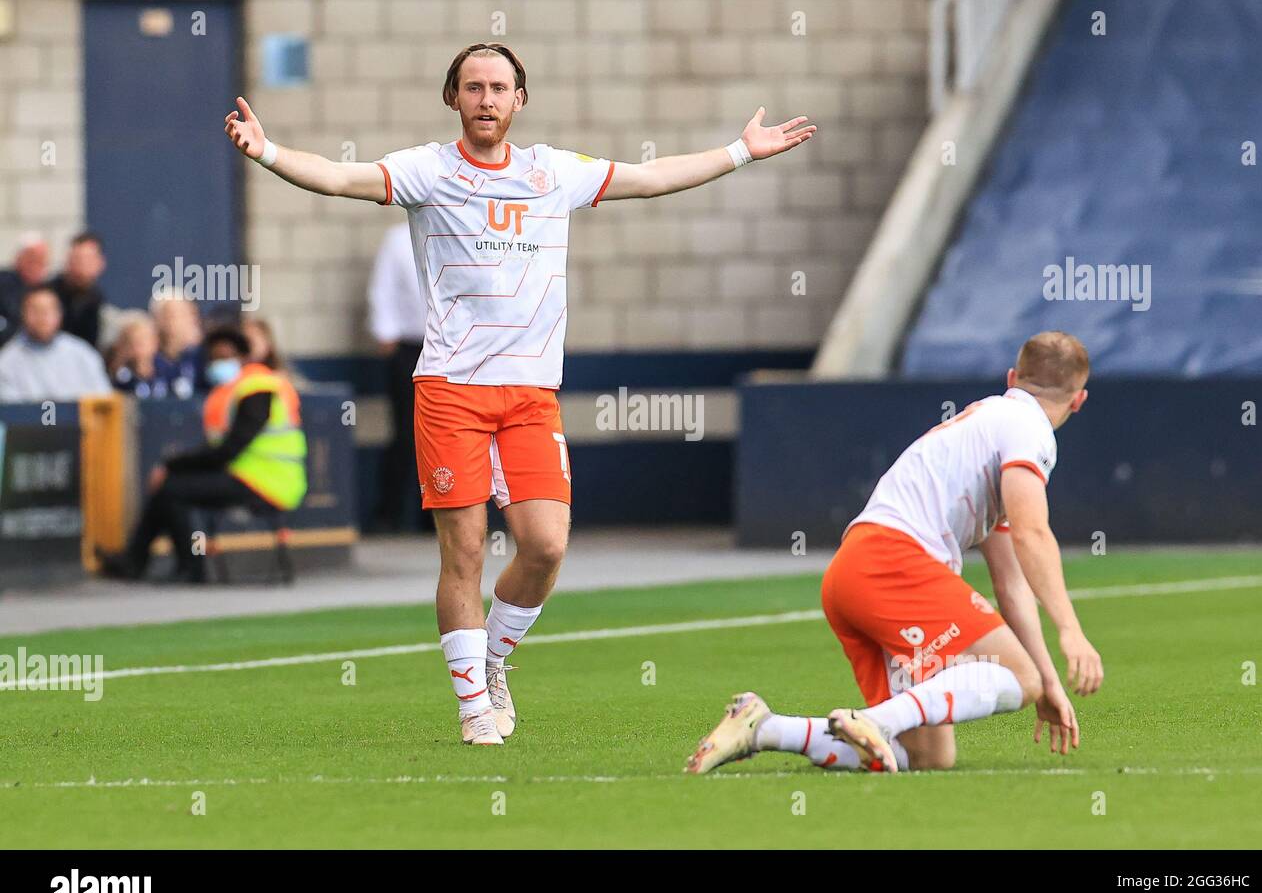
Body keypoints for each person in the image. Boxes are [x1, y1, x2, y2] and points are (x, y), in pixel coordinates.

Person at [224, 41, 816, 745]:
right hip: (450, 390)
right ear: (453, 98)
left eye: (498, 87)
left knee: (544, 545)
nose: (485, 99)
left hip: (532, 394)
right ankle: (475, 709)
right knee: (465, 553)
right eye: (472, 87)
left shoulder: (552, 173)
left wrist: (740, 152)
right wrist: (268, 152)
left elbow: (652, 178)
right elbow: (338, 178)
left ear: (519, 100)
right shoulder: (427, 171)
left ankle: (494, 663)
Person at [686, 332, 1105, 774]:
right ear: (1078, 401)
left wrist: (1049, 682)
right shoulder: (1030, 430)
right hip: (894, 565)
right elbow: (1032, 532)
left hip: (853, 574)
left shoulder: (985, 424)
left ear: (1011, 378)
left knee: (927, 756)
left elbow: (1012, 582)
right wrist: (1069, 632)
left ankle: (763, 728)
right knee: (1018, 679)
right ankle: (873, 720)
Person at [99, 325, 307, 583]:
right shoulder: (227, 391)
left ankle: (190, 567)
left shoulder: (258, 387)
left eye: (226, 356)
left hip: (268, 482)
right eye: (214, 357)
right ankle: (135, 562)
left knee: (172, 490)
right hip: (245, 476)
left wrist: (172, 465)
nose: (219, 362)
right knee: (168, 487)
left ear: (242, 356)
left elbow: (229, 449)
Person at [367, 223, 425, 533]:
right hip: (409, 346)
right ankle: (389, 514)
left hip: (455, 347)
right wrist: (385, 333)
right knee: (406, 430)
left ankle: (434, 518)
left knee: (448, 434)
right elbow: (383, 288)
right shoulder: (399, 239)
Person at [0, 286, 111, 402]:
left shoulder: (83, 353)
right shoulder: (6, 362)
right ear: (22, 314)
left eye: (49, 310)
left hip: (80, 420)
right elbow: (11, 413)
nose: (42, 316)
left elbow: (105, 402)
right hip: (30, 420)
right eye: (35, 310)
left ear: (60, 314)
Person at [50, 232, 108, 349]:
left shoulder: (97, 299)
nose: (80, 265)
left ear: (100, 263)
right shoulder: (49, 295)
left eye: (87, 259)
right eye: (75, 258)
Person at [151, 291, 205, 398]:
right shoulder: (148, 360)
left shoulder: (203, 356)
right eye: (180, 314)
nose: (190, 320)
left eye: (192, 314)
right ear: (159, 319)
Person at [0, 234, 50, 347]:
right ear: (19, 258)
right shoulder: (3, 284)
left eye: (43, 260)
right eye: (33, 258)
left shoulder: (49, 290)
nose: (38, 264)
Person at [106, 313, 169, 399]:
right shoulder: (119, 376)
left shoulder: (165, 369)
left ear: (155, 341)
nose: (139, 346)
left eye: (145, 339)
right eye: (133, 341)